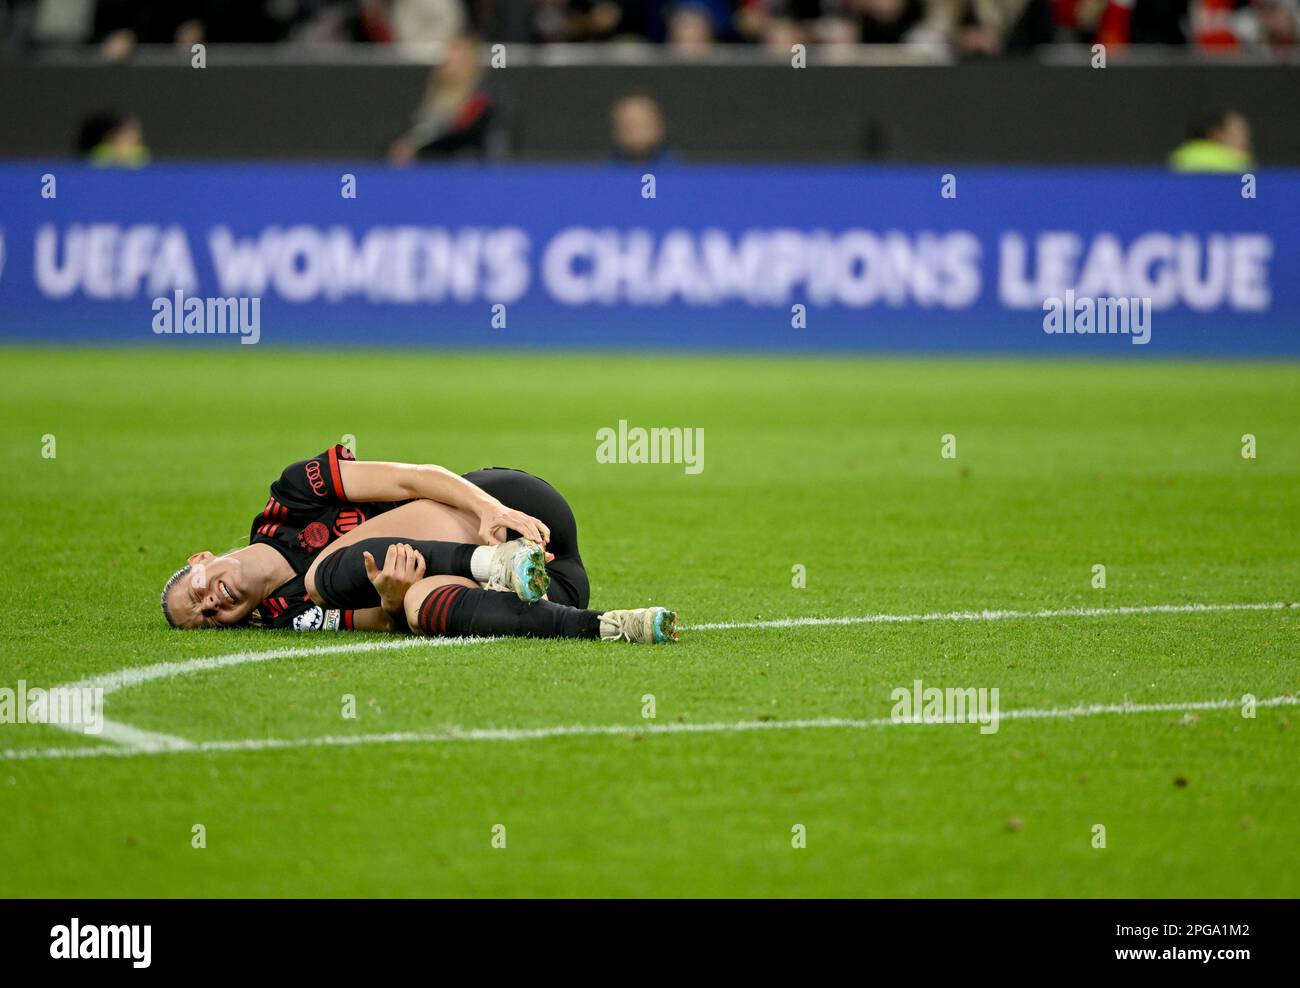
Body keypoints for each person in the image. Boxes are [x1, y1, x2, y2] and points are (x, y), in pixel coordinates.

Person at [160, 445, 678, 644]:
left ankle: (496, 560)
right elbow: (384, 621)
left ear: (200, 560)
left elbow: (414, 480)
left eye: (197, 590)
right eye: (206, 617)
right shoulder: (283, 614)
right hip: (553, 585)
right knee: (417, 605)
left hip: (505, 511)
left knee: (322, 574)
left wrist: (489, 510)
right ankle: (610, 625)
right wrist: (389, 595)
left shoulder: (291, 499)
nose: (212, 603)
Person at [1169, 109, 1254, 173]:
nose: (1246, 140)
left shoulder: (1179, 156)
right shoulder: (1239, 165)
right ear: (1217, 133)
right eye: (1238, 133)